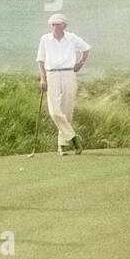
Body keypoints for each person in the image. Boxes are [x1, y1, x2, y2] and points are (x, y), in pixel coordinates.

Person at [35, 14, 91, 155]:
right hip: (52, 74)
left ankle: (62, 145)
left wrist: (80, 63)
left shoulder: (71, 37)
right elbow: (40, 60)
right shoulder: (45, 39)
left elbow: (86, 49)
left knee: (67, 110)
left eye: (58, 24)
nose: (55, 27)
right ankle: (73, 138)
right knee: (54, 111)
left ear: (64, 26)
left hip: (68, 73)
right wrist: (43, 78)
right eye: (52, 24)